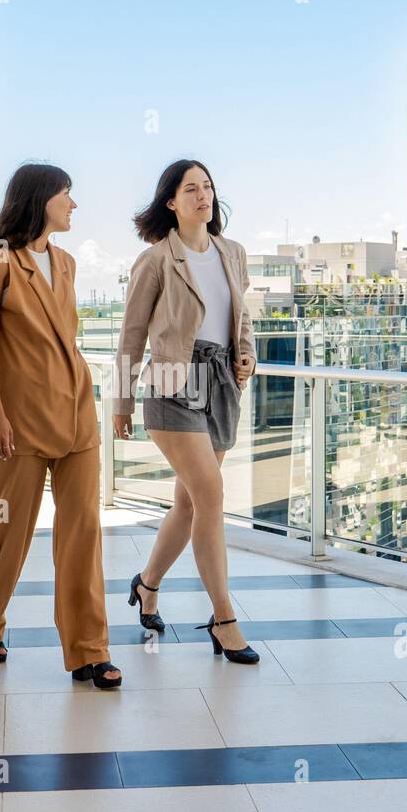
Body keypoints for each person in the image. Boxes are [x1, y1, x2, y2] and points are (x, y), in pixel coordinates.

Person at [0, 163, 121, 689]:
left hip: (77, 414)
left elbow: (67, 339)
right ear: (40, 199)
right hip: (21, 420)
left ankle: (88, 651)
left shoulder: (68, 262)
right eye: (66, 195)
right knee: (8, 529)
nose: (73, 205)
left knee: (83, 535)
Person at [113, 159, 260, 664]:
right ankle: (223, 618)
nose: (204, 195)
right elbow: (131, 334)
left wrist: (247, 355)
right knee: (212, 495)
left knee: (190, 502)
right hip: (173, 381)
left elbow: (239, 319)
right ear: (171, 202)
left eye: (209, 187)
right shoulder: (156, 260)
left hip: (220, 382)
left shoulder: (232, 253)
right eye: (191, 188)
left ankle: (147, 584)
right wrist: (122, 400)